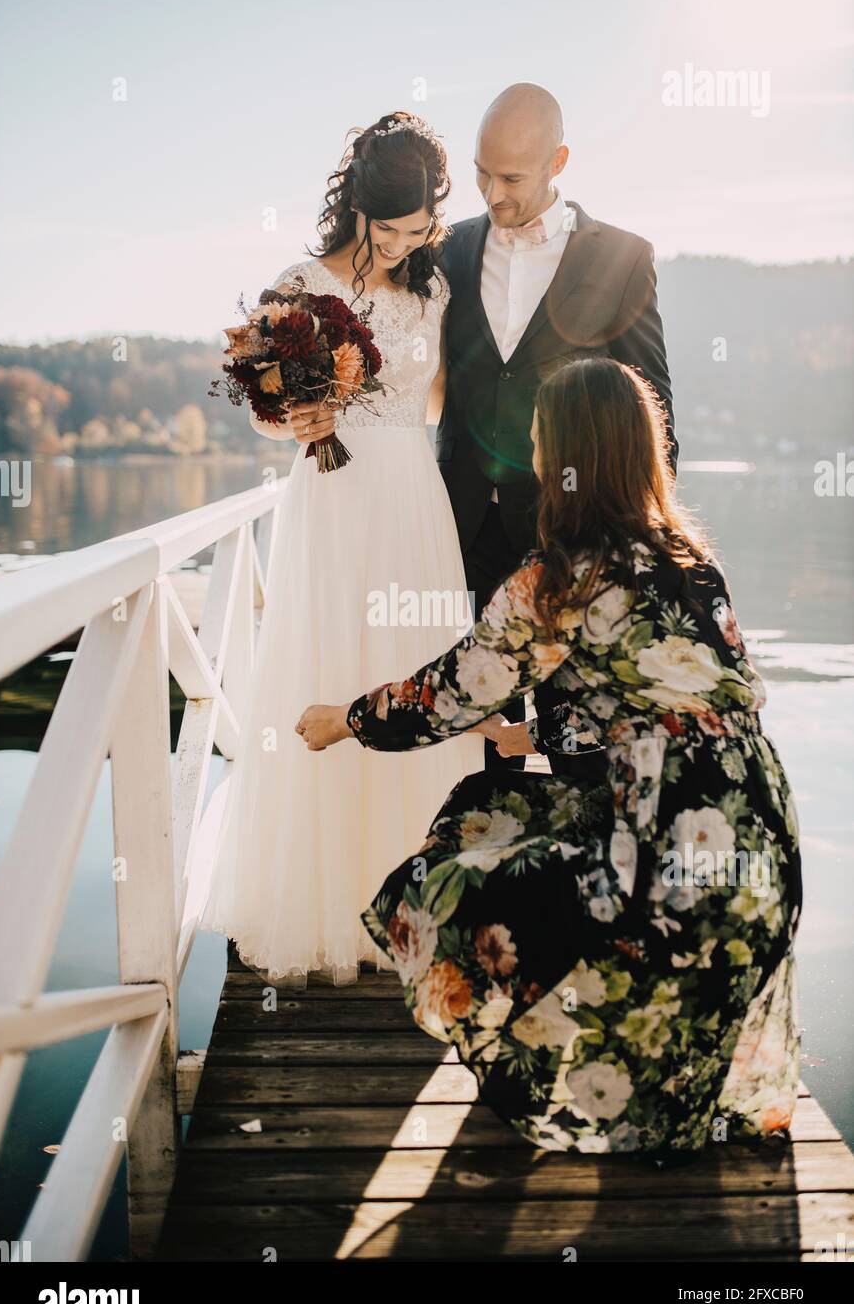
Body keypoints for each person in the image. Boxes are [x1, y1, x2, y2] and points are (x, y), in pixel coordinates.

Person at [296, 357, 802, 1156]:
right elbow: (662, 713)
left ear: (564, 454)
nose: (530, 445)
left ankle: (549, 1054)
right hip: (762, 850)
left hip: (668, 860)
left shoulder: (556, 580)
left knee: (444, 878)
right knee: (488, 805)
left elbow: (447, 695)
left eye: (538, 433)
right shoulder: (690, 563)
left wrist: (344, 719)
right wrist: (532, 736)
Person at [201, 112, 483, 987]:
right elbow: (263, 403)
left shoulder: (432, 287)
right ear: (360, 211)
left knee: (414, 668)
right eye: (394, 229)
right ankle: (325, 903)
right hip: (331, 502)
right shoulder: (297, 283)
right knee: (328, 668)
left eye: (422, 228)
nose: (408, 244)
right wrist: (293, 417)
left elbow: (435, 393)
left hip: (413, 499)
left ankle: (415, 904)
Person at [437, 83, 677, 774]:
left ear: (558, 161)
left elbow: (651, 403)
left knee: (582, 741)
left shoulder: (622, 259)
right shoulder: (447, 251)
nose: (491, 193)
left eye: (510, 177)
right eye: (481, 172)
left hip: (574, 537)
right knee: (479, 746)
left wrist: (649, 538)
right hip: (460, 531)